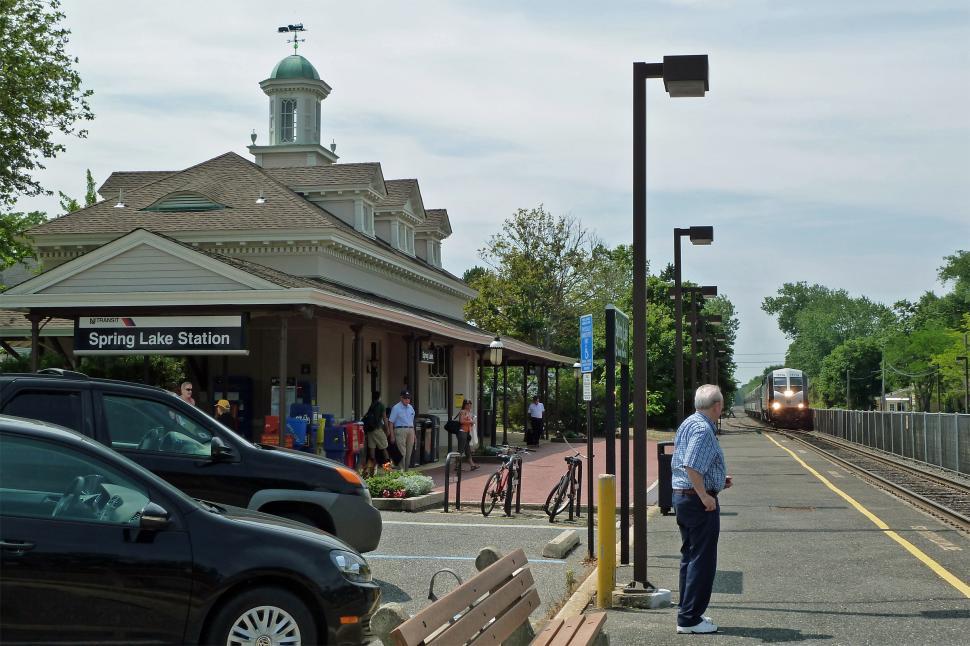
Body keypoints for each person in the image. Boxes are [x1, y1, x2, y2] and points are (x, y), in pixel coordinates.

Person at [671, 384, 733, 634]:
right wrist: (706, 496)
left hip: (684, 498)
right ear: (717, 406)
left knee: (690, 557)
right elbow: (692, 466)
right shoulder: (703, 430)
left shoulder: (689, 422)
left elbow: (692, 464)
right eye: (722, 404)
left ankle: (689, 613)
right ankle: (689, 619)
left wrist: (717, 481)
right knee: (702, 561)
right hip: (697, 503)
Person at [363, 391, 391, 476]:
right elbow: (385, 418)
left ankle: (371, 472)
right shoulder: (381, 405)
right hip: (378, 429)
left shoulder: (372, 405)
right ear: (379, 397)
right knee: (384, 448)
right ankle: (388, 470)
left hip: (370, 431)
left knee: (372, 451)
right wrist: (387, 430)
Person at [387, 389, 416, 472]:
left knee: (409, 452)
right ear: (401, 398)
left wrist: (414, 434)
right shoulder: (396, 408)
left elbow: (412, 422)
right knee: (402, 452)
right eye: (405, 398)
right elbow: (391, 422)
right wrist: (392, 435)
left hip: (410, 430)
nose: (407, 400)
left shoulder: (411, 408)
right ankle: (401, 470)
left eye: (408, 398)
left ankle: (406, 470)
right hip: (400, 429)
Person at [457, 399, 479, 471]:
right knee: (461, 450)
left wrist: (471, 423)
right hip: (462, 432)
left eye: (470, 404)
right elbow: (461, 421)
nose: (469, 406)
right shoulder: (463, 412)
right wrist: (471, 421)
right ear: (465, 405)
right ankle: (457, 466)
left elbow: (468, 422)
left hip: (467, 433)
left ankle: (472, 465)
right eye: (468, 404)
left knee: (467, 450)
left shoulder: (468, 412)